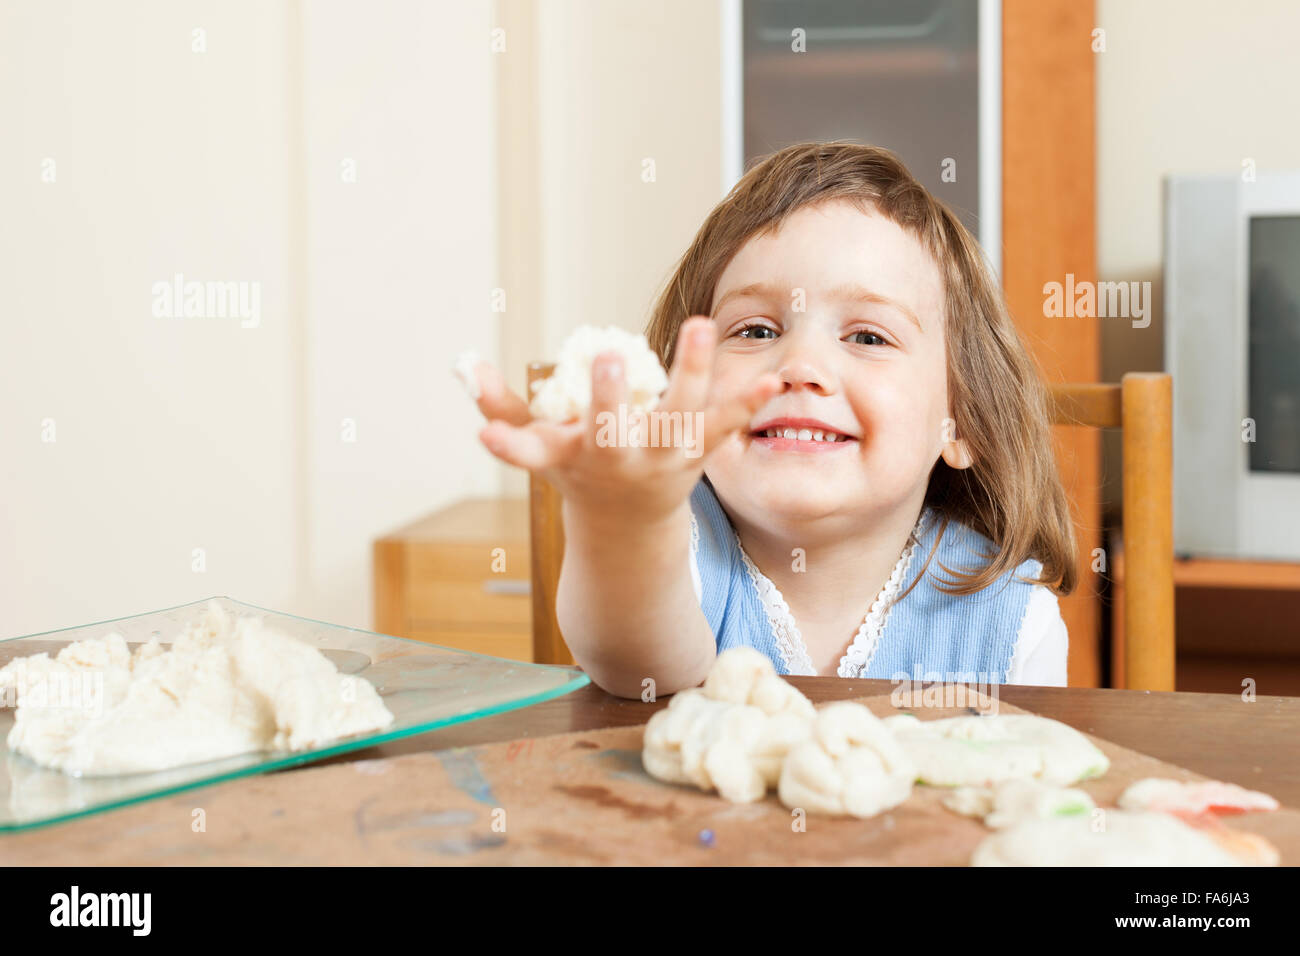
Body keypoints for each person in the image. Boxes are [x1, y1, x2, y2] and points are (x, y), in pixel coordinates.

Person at [459, 142, 1075, 697]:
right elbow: (637, 666)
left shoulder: (1013, 623)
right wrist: (624, 521)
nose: (800, 365)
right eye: (755, 329)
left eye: (867, 336)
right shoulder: (679, 544)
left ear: (960, 421)